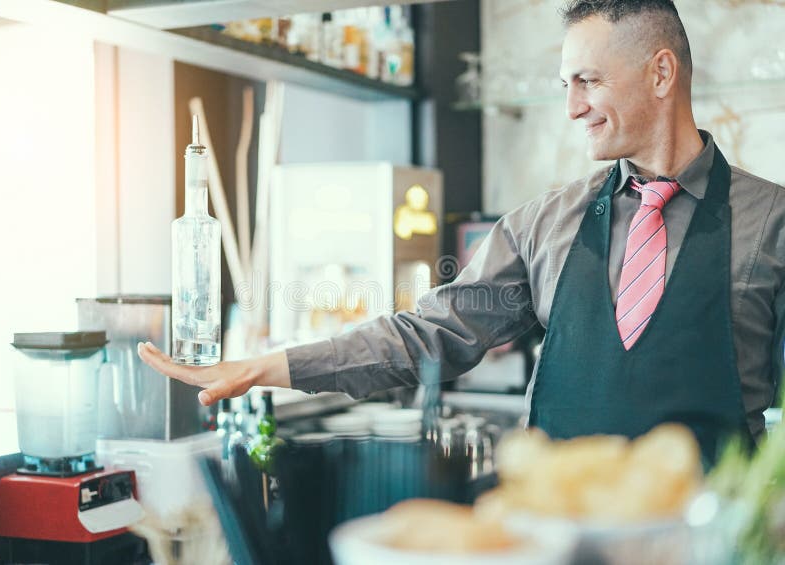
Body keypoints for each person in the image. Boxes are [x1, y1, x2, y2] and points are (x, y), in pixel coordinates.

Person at [139, 0, 785, 462]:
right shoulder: (544, 224)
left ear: (662, 73)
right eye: (565, 85)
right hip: (552, 538)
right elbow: (428, 333)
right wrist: (272, 366)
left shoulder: (773, 223)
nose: (572, 107)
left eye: (588, 81)